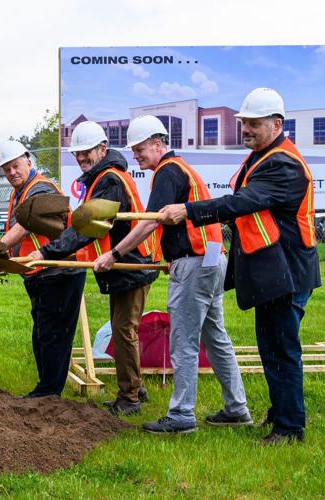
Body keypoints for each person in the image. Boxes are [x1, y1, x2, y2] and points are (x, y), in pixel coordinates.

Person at [158, 88, 320, 444]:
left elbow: (245, 201)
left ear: (277, 124)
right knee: (273, 346)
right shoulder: (264, 156)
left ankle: (290, 428)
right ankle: (280, 414)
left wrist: (189, 210)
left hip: (287, 271)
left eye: (254, 124)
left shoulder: (283, 163)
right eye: (243, 123)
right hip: (275, 270)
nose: (246, 129)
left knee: (281, 349)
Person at [93, 115, 249, 434]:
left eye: (140, 148)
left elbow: (150, 221)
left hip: (194, 261)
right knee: (215, 337)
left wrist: (114, 253)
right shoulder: (183, 169)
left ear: (158, 143)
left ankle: (181, 414)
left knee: (184, 341)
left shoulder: (166, 172)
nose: (135, 155)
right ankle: (237, 408)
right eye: (133, 149)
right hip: (212, 258)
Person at [29, 121, 159, 415]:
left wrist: (46, 250)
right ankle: (135, 387)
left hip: (131, 263)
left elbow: (90, 227)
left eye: (87, 152)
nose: (82, 158)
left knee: (124, 329)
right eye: (77, 154)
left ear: (102, 149)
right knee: (124, 328)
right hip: (128, 263)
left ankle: (129, 399)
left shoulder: (109, 180)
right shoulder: (103, 177)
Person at [0, 140, 85, 398]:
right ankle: (46, 388)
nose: (12, 172)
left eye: (15, 166)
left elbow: (24, 227)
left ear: (28, 161)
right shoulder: (20, 191)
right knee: (43, 333)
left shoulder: (40, 188)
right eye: (7, 169)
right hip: (40, 270)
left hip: (59, 270)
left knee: (53, 334)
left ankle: (49, 393)